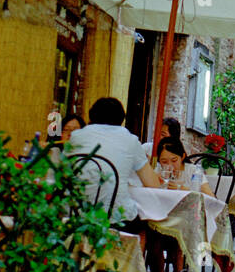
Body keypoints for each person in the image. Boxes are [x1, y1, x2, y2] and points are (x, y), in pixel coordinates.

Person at [66, 96, 163, 226]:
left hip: (75, 213)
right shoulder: (130, 140)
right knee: (147, 224)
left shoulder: (76, 136)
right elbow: (153, 184)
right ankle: (133, 245)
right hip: (114, 217)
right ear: (121, 119)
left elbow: (64, 173)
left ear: (91, 117)